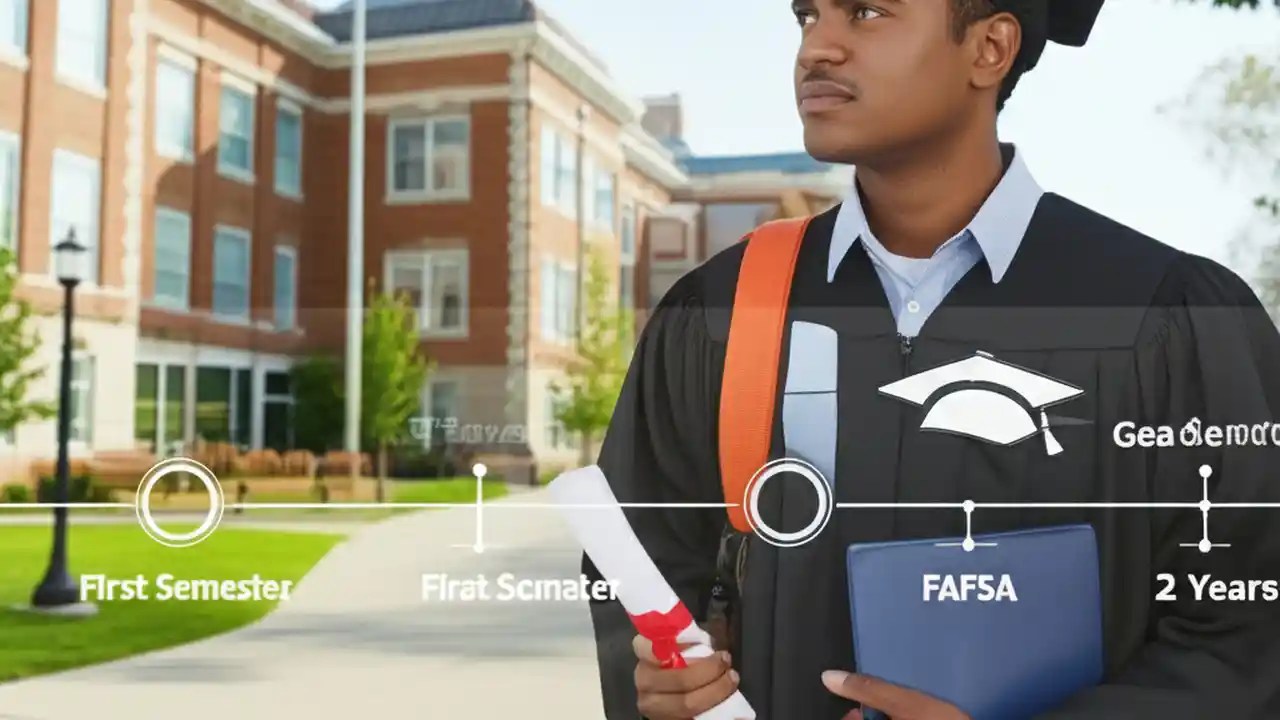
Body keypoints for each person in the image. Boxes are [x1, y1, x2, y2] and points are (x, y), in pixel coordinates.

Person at [584, 0, 1280, 717]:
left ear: (989, 48)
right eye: (806, 16)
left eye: (865, 13)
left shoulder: (1165, 314)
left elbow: (1247, 629)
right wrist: (661, 688)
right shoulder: (724, 313)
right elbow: (647, 570)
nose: (816, 48)